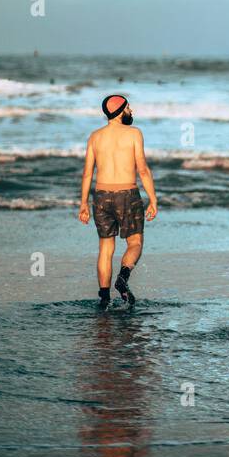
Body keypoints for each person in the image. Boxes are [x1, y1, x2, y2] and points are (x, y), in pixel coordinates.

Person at [78, 94, 157, 309]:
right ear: (121, 110)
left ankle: (104, 298)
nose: (131, 110)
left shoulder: (95, 136)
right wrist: (153, 199)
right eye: (129, 107)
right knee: (135, 243)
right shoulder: (133, 134)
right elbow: (142, 169)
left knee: (105, 247)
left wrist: (83, 203)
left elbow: (87, 173)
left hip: (101, 196)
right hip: (127, 195)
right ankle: (123, 278)